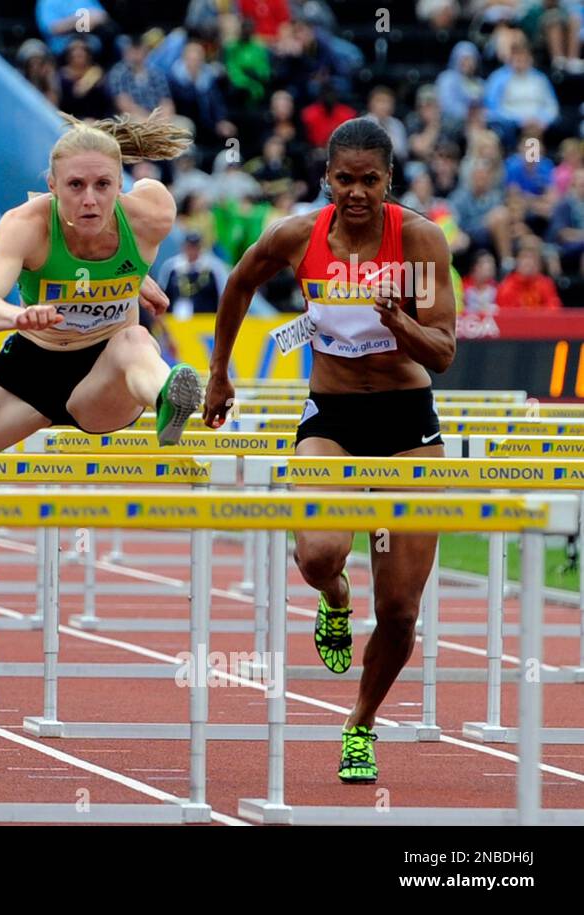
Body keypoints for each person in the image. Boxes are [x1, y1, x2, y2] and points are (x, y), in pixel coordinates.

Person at [203, 118, 457, 784]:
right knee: (317, 553)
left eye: (370, 180)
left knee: (401, 609)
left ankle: (360, 724)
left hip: (407, 424)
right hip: (332, 416)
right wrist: (220, 372)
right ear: (327, 179)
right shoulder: (298, 235)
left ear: (389, 180)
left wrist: (399, 320)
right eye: (344, 179)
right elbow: (237, 283)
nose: (356, 193)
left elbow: (446, 350)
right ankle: (335, 597)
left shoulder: (420, 240)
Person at [0, 113, 200, 454]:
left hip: (106, 376)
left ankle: (167, 397)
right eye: (75, 185)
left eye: (103, 185)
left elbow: (115, 252)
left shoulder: (151, 215)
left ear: (119, 186)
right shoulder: (25, 225)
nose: (90, 200)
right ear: (52, 186)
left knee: (136, 339)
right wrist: (16, 317)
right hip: (28, 372)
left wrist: (137, 276)